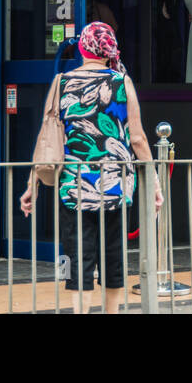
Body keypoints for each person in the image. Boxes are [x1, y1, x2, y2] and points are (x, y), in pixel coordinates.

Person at [18, 21, 162, 313]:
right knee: (114, 258)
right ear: (108, 49)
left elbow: (49, 138)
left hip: (75, 188)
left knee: (77, 259)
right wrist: (155, 182)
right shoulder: (121, 82)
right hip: (116, 187)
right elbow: (138, 137)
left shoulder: (63, 82)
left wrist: (32, 184)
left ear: (82, 48)